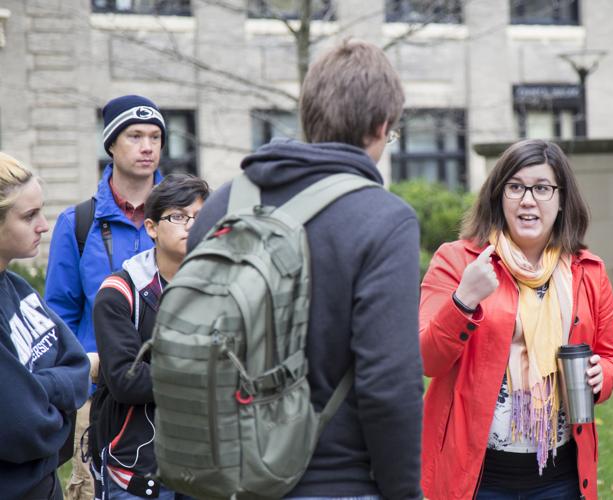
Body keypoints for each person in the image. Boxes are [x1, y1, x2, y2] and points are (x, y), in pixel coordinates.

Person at [187, 39, 423, 499]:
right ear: (380, 126)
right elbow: (389, 386)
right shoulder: (384, 219)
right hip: (334, 481)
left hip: (221, 476)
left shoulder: (222, 204)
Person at [419, 139, 613, 500]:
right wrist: (464, 299)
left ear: (562, 200)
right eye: (515, 187)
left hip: (560, 476)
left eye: (542, 188)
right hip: (478, 476)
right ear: (498, 196)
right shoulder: (457, 262)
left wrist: (601, 375)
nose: (528, 200)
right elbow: (427, 359)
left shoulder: (587, 272)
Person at [44, 94, 165, 500]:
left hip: (173, 396)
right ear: (111, 144)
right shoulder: (77, 223)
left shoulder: (187, 217)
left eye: (155, 137)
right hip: (97, 402)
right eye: (135, 136)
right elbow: (58, 316)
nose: (147, 147)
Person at [91, 174, 209, 500]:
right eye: (178, 217)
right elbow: (127, 380)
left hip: (210, 466)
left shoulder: (223, 290)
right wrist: (203, 374)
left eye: (200, 217)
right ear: (152, 228)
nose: (191, 225)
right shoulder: (120, 292)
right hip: (138, 470)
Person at [0, 152, 90, 499]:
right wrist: (55, 401)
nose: (44, 225)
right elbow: (26, 428)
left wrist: (35, 388)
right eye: (29, 216)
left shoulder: (18, 288)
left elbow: (78, 365)